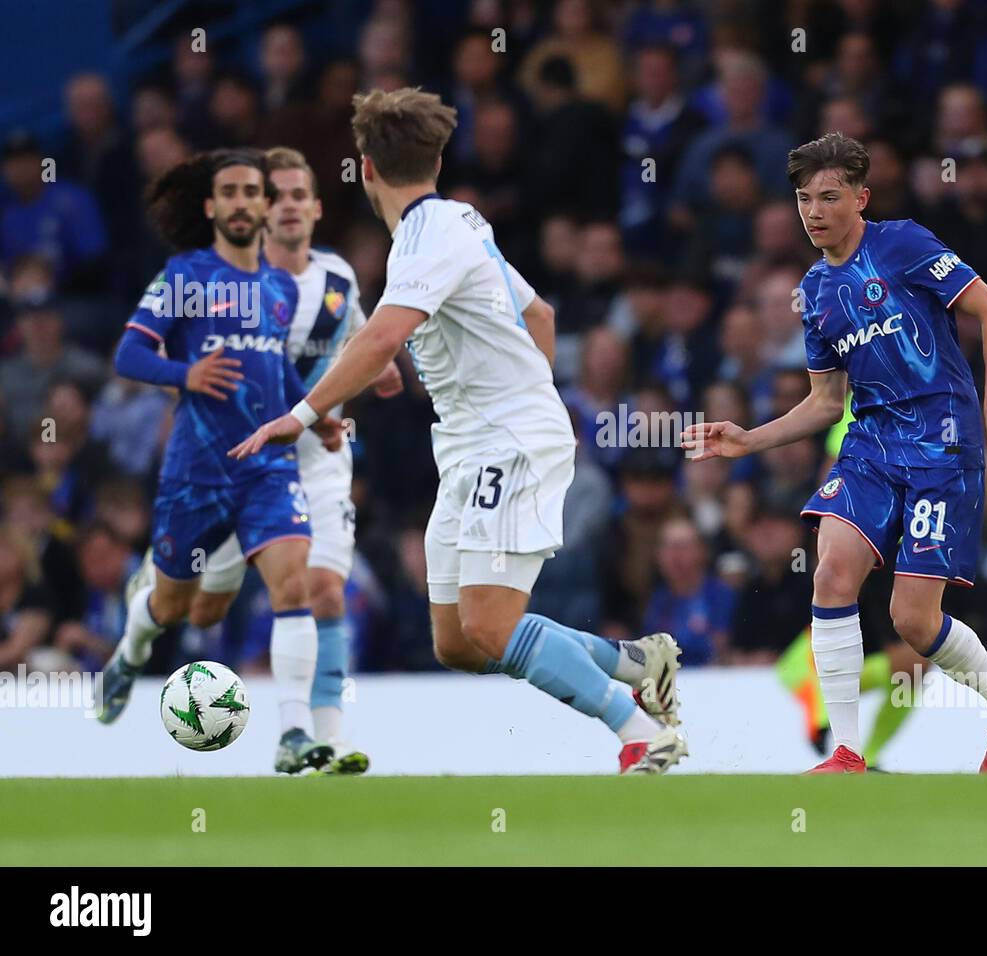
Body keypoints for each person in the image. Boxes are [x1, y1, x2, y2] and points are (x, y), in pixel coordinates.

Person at [230, 88, 688, 774]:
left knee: (490, 624)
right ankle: (637, 662)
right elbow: (542, 317)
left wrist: (299, 414)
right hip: (474, 446)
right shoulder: (463, 221)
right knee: (459, 642)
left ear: (364, 169)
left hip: (507, 444)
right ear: (439, 158)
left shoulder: (429, 236)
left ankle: (640, 732)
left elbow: (384, 336)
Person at [683, 132, 987, 774]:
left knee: (912, 619)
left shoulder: (902, 242)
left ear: (861, 197)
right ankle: (847, 751)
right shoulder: (817, 291)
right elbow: (826, 402)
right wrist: (748, 439)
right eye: (803, 199)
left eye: (829, 197)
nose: (813, 212)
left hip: (943, 440)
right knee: (830, 573)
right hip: (872, 444)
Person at [136, 146, 403, 775]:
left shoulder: (338, 279)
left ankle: (326, 743)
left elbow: (358, 339)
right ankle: (153, 588)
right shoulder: (225, 283)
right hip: (235, 463)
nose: (286, 207)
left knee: (324, 590)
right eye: (273, 195)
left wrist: (382, 368)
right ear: (258, 210)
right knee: (203, 607)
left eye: (296, 195)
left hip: (315, 461)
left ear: (315, 206)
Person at [96, 149, 345, 776]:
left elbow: (274, 364)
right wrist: (186, 372)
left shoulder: (279, 287)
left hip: (265, 465)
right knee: (174, 608)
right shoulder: (183, 275)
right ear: (211, 207)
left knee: (293, 584)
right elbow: (128, 354)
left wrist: (314, 412)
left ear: (265, 206)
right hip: (195, 473)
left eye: (251, 192)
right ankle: (130, 652)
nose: (240, 202)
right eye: (228, 192)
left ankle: (292, 735)